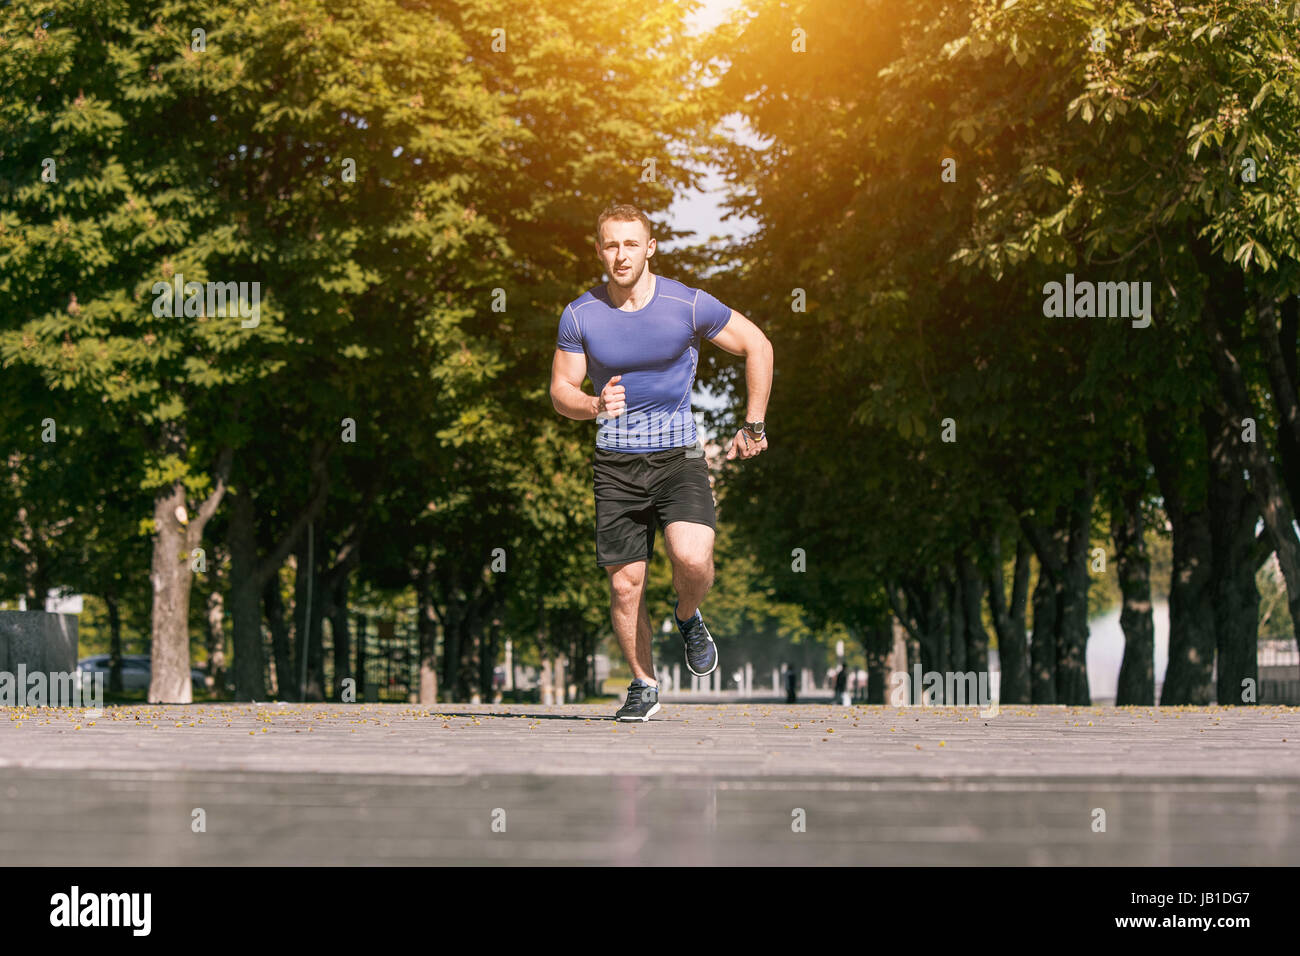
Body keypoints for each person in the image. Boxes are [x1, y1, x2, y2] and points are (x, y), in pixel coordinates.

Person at [550, 203, 774, 721]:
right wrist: (591, 405)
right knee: (625, 583)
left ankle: (688, 613)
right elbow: (562, 390)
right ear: (599, 249)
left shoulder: (686, 304)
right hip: (616, 463)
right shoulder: (580, 313)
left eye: (631, 244)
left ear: (649, 248)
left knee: (691, 558)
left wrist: (754, 422)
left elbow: (757, 344)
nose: (620, 255)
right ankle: (643, 683)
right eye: (611, 244)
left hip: (678, 456)